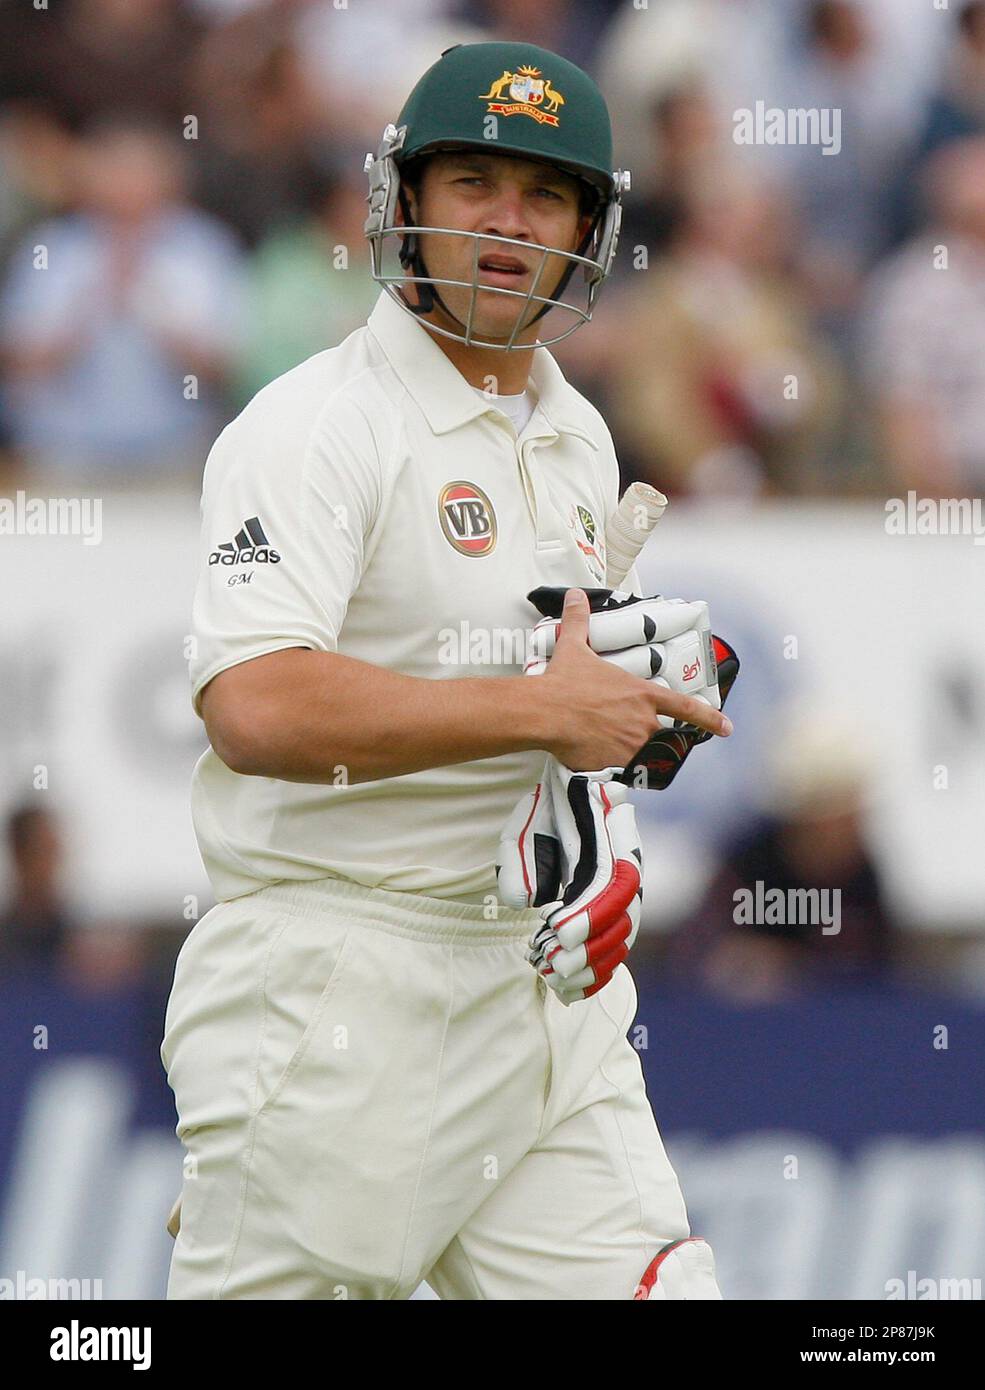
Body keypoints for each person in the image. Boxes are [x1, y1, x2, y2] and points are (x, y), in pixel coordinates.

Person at [161, 41, 732, 1301]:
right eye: (472, 181)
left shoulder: (576, 431)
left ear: (591, 227)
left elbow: (567, 704)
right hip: (331, 987)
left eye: (544, 196)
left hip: (537, 994)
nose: (505, 224)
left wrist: (608, 833)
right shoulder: (315, 424)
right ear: (403, 200)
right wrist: (544, 709)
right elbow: (254, 705)